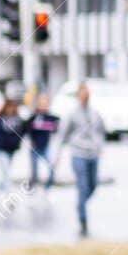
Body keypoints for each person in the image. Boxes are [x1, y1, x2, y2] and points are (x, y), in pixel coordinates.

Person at [56, 82, 106, 237]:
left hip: (93, 154)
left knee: (93, 186)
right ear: (78, 96)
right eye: (83, 93)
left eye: (87, 93)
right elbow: (62, 135)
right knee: (82, 186)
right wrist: (56, 155)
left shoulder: (95, 113)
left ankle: (80, 204)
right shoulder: (72, 114)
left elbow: (101, 131)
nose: (85, 96)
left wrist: (100, 147)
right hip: (78, 154)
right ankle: (83, 220)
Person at [0, 97, 27, 195]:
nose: (11, 109)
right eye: (9, 107)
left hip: (12, 149)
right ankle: (9, 195)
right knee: (6, 172)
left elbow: (22, 131)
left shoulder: (18, 119)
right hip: (0, 149)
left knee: (4, 173)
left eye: (13, 107)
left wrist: (18, 142)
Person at [26, 92, 60, 188]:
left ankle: (47, 187)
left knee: (51, 168)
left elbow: (57, 126)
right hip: (35, 147)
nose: (43, 105)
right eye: (41, 102)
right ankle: (33, 187)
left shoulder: (50, 117)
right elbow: (27, 128)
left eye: (45, 102)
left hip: (45, 147)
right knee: (34, 172)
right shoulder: (33, 117)